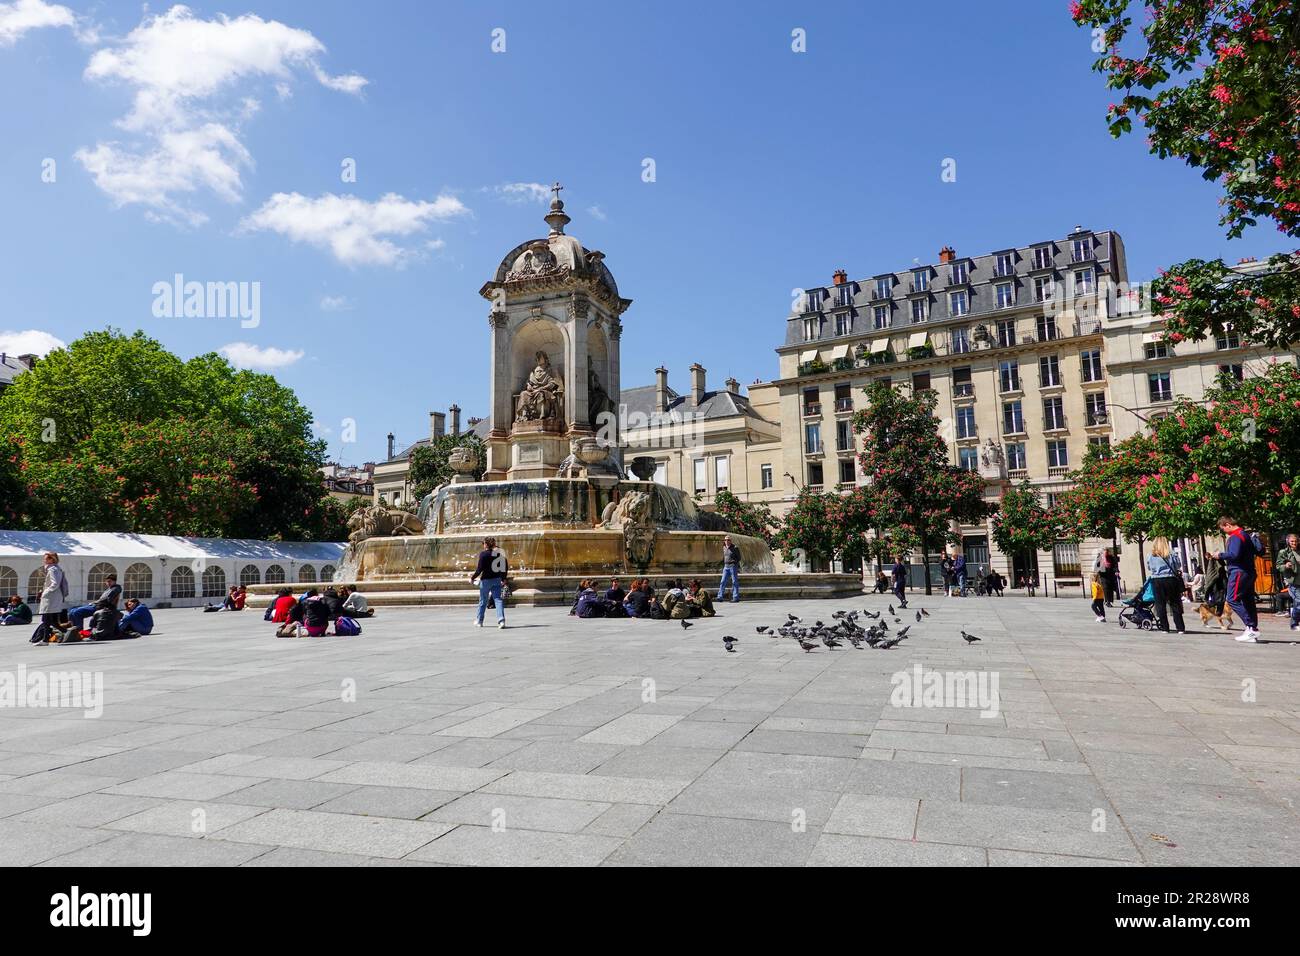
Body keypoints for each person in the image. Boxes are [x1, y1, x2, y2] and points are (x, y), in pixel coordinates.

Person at [1217, 516, 1260, 642]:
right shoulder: (1245, 535)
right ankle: (1251, 629)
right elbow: (1257, 551)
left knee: (1232, 599)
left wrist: (1219, 555)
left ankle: (1251, 627)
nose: (1225, 532)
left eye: (1223, 529)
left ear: (1227, 524)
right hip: (1249, 571)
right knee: (1248, 600)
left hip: (1238, 572)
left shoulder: (1235, 536)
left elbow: (1234, 555)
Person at [1146, 536, 1186, 634]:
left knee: (1160, 604)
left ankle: (1165, 627)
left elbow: (1149, 567)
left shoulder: (1151, 555)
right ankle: (1180, 627)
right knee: (1175, 603)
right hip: (1170, 579)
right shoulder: (1171, 553)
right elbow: (1178, 565)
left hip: (1157, 580)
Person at [470, 536, 508, 629]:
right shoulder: (499, 554)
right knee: (498, 600)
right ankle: (501, 621)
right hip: (496, 579)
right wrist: (503, 579)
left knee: (483, 600)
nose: (483, 545)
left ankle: (479, 621)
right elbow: (504, 567)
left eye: (483, 543)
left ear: (486, 544)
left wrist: (472, 578)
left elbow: (479, 569)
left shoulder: (483, 554)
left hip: (486, 580)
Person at [34, 551, 69, 643]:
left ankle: (45, 640)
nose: (44, 560)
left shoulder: (52, 569)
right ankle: (65, 632)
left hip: (51, 597)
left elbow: (55, 584)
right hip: (54, 596)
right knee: (52, 620)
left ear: (51, 559)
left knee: (46, 618)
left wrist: (46, 592)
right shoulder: (56, 568)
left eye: (46, 558)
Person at [1276, 533, 1300, 632]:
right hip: (1293, 581)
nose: (1294, 543)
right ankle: (1294, 623)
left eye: (1296, 541)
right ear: (1288, 542)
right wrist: (1285, 566)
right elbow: (1278, 566)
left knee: (1297, 603)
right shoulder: (1284, 552)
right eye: (1292, 541)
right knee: (1299, 602)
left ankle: (1295, 622)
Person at [716, 535, 741, 603]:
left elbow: (739, 558)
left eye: (728, 540)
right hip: (726, 566)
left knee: (734, 582)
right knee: (722, 581)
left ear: (731, 541)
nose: (727, 541)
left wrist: (734, 562)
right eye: (725, 540)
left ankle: (735, 597)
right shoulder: (724, 547)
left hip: (733, 566)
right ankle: (720, 596)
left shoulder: (735, 548)